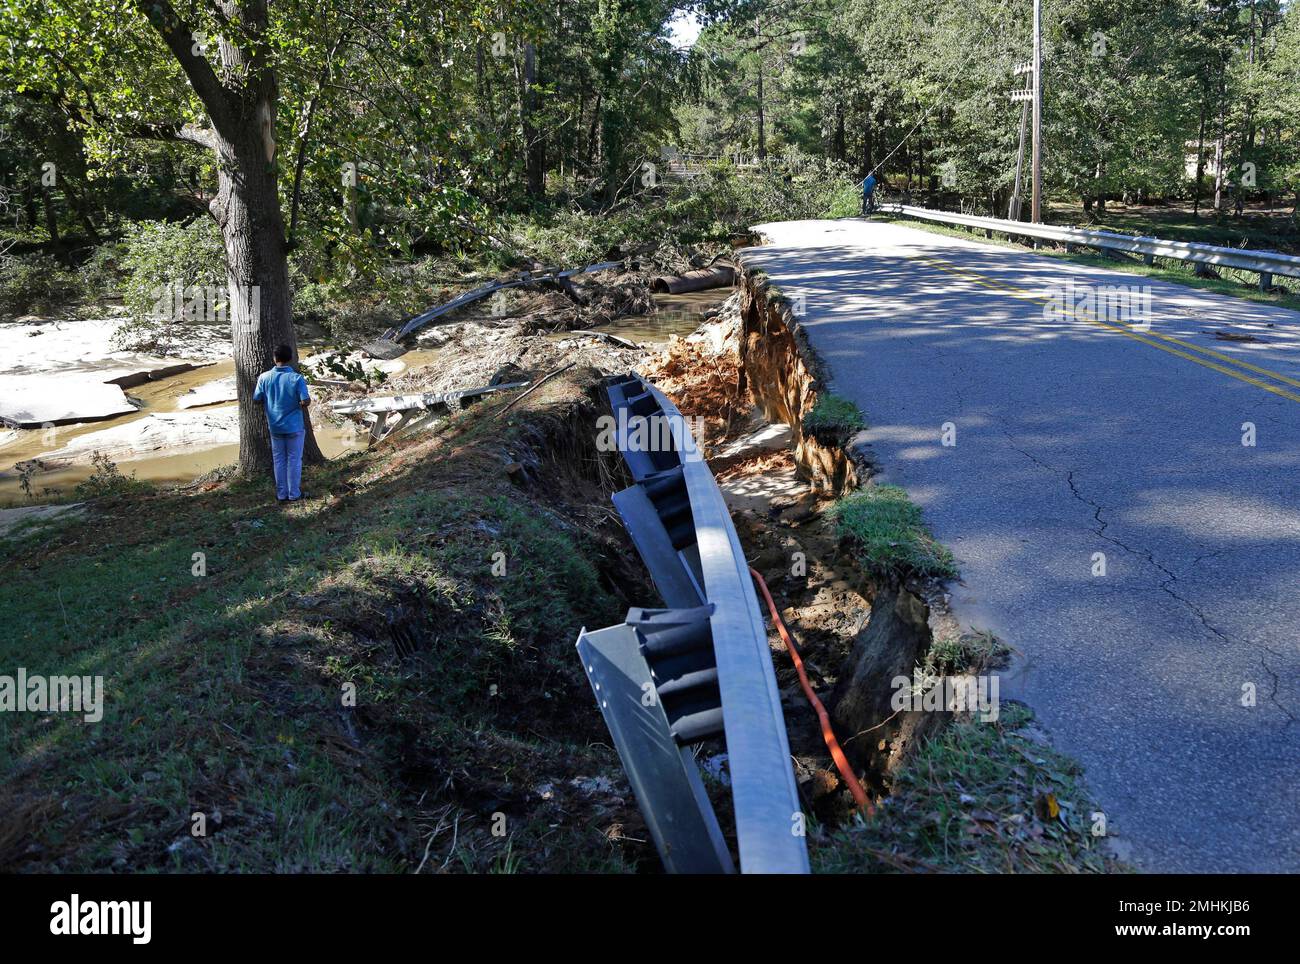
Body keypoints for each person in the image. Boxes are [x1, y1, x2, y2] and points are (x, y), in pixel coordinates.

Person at [252, 344, 311, 502]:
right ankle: (294, 494)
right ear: (290, 358)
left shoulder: (264, 377)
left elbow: (256, 399)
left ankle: (281, 494)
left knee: (279, 460)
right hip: (294, 426)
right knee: (294, 460)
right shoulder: (296, 378)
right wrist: (299, 403)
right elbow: (305, 400)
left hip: (275, 427)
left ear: (274, 358)